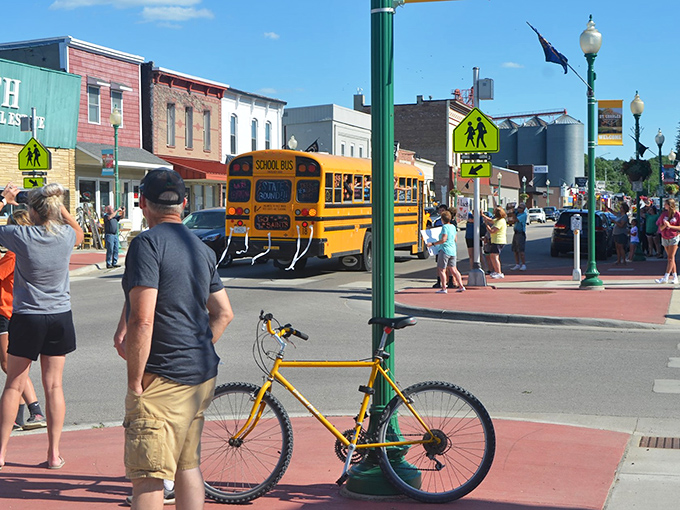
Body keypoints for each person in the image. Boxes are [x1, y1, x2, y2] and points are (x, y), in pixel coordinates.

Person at [113, 168, 234, 510]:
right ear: (183, 203)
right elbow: (223, 312)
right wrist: (196, 347)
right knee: (187, 464)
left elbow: (143, 318)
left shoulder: (146, 244)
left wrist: (136, 383)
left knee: (148, 475)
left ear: (143, 204)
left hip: (162, 379)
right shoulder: (200, 248)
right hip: (200, 375)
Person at [0, 183, 84, 471]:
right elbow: (80, 234)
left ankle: (0, 454)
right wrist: (60, 209)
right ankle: (53, 454)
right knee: (54, 385)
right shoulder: (64, 236)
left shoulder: (21, 235)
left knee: (14, 384)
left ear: (32, 211)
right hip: (59, 315)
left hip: (27, 316)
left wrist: (5, 199)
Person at [0, 210, 47, 432]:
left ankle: (34, 409)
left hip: (5, 312)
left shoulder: (13, 254)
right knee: (11, 365)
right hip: (13, 311)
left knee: (11, 365)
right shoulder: (27, 251)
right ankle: (19, 416)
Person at [426, 210, 465, 294]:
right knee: (454, 269)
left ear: (442, 219)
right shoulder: (453, 227)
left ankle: (444, 288)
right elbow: (455, 239)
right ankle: (461, 285)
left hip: (444, 250)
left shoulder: (445, 227)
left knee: (441, 269)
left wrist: (432, 244)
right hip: (452, 250)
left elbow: (443, 239)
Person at [655, 198, 680, 284]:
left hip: (674, 237)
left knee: (670, 257)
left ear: (670, 205)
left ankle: (666, 277)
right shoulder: (663, 214)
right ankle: (675, 276)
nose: (664, 206)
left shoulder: (677, 215)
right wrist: (665, 226)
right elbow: (660, 227)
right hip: (665, 237)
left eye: (665, 204)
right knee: (671, 258)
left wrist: (670, 226)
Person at [482, 206, 507, 279]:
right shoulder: (498, 220)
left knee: (494, 256)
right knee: (493, 256)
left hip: (498, 241)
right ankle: (496, 271)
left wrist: (486, 224)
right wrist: (483, 215)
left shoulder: (500, 221)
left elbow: (492, 231)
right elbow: (491, 220)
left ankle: (499, 272)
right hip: (495, 241)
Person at [508, 203, 528, 271]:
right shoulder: (518, 213)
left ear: (523, 209)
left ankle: (523, 264)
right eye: (518, 207)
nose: (519, 209)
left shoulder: (523, 215)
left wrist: (513, 212)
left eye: (520, 208)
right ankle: (517, 264)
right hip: (516, 233)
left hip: (520, 233)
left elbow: (515, 219)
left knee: (521, 250)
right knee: (515, 250)